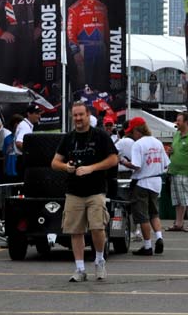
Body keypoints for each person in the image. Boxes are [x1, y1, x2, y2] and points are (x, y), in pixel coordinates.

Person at [50, 100, 118, 282]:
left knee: (97, 227)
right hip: (73, 191)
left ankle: (99, 260)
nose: (78, 118)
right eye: (75, 115)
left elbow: (113, 159)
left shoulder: (100, 136)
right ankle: (80, 269)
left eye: (81, 115)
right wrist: (67, 167)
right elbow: (54, 163)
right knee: (75, 230)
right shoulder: (68, 138)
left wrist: (91, 168)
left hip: (96, 190)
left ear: (88, 115)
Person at [121, 117, 169, 256]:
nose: (132, 135)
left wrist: (123, 162)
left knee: (142, 216)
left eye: (132, 131)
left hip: (142, 182)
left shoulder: (138, 144)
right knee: (154, 213)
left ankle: (147, 246)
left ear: (137, 130)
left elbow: (136, 165)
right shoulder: (158, 142)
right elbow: (166, 163)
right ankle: (159, 237)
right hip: (156, 182)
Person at [67, 0, 109, 93]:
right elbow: (70, 32)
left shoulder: (102, 7)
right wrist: (75, 52)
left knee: (101, 82)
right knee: (85, 82)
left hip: (101, 48)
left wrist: (108, 48)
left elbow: (106, 30)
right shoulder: (75, 8)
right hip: (84, 48)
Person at [14, 104, 41, 172]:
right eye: (36, 114)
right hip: (22, 159)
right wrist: (30, 152)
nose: (39, 116)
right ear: (29, 114)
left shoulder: (26, 125)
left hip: (22, 159)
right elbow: (19, 143)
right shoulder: (25, 126)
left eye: (39, 114)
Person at [3, 113, 23, 180]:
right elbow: (5, 155)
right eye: (16, 123)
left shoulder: (24, 138)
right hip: (9, 171)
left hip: (20, 171)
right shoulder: (7, 138)